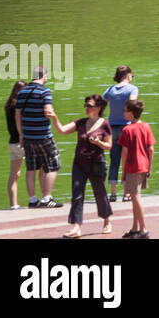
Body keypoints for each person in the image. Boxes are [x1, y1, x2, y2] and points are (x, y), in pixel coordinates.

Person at [53, 95, 113, 238]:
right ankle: (76, 227)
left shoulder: (105, 124)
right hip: (79, 164)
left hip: (96, 164)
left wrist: (98, 143)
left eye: (90, 105)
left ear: (98, 108)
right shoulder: (80, 122)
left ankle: (106, 221)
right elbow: (61, 130)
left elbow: (109, 146)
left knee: (100, 193)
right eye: (85, 105)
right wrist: (54, 117)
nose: (87, 108)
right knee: (77, 195)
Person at [16, 66, 63, 208]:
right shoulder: (45, 91)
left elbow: (17, 115)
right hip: (43, 135)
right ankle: (47, 198)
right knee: (54, 164)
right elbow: (48, 111)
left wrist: (21, 134)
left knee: (31, 167)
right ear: (44, 76)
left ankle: (32, 199)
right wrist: (53, 115)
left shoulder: (22, 92)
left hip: (28, 135)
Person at [118, 100, 155, 238]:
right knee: (134, 197)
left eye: (125, 110)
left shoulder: (127, 130)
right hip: (144, 165)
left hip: (133, 167)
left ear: (131, 113)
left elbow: (124, 153)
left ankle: (144, 229)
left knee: (136, 197)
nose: (123, 112)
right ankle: (135, 228)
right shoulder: (146, 126)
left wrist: (123, 172)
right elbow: (150, 149)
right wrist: (150, 167)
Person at [103, 65, 138, 201]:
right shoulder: (132, 88)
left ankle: (112, 194)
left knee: (114, 161)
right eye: (132, 76)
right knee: (127, 161)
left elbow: (101, 102)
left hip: (112, 129)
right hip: (126, 128)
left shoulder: (110, 89)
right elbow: (133, 104)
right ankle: (126, 193)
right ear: (128, 75)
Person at [5, 81, 25, 209]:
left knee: (14, 174)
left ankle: (13, 204)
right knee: (37, 169)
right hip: (21, 141)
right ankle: (36, 198)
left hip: (12, 142)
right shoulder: (19, 106)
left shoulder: (8, 105)